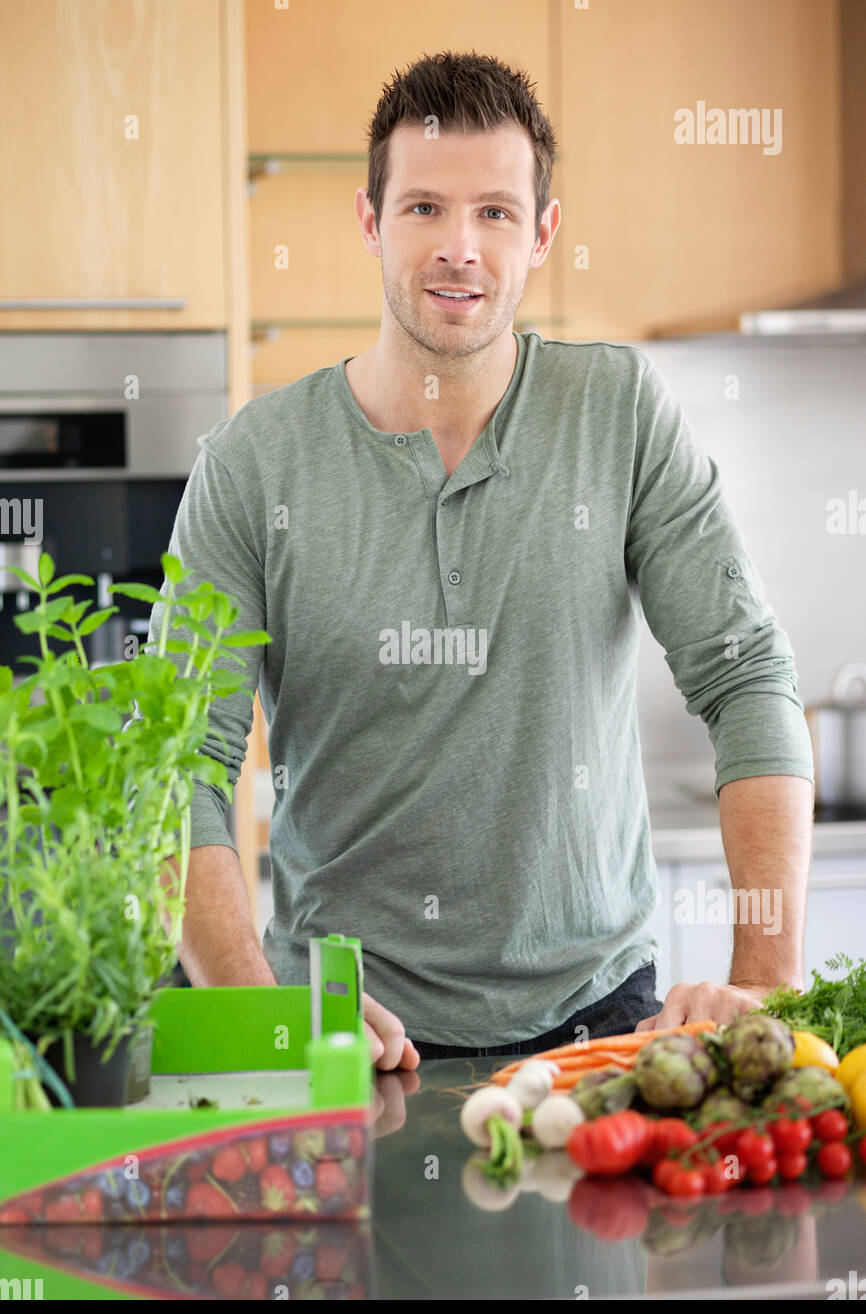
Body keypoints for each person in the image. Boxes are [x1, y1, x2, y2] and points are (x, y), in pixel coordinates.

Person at [152, 52, 814, 1067]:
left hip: (598, 1026)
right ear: (370, 222)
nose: (458, 248)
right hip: (340, 1030)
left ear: (541, 233)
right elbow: (177, 757)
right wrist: (260, 1012)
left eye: (494, 214)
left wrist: (762, 981)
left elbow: (745, 678)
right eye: (423, 207)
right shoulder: (252, 462)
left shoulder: (619, 415)